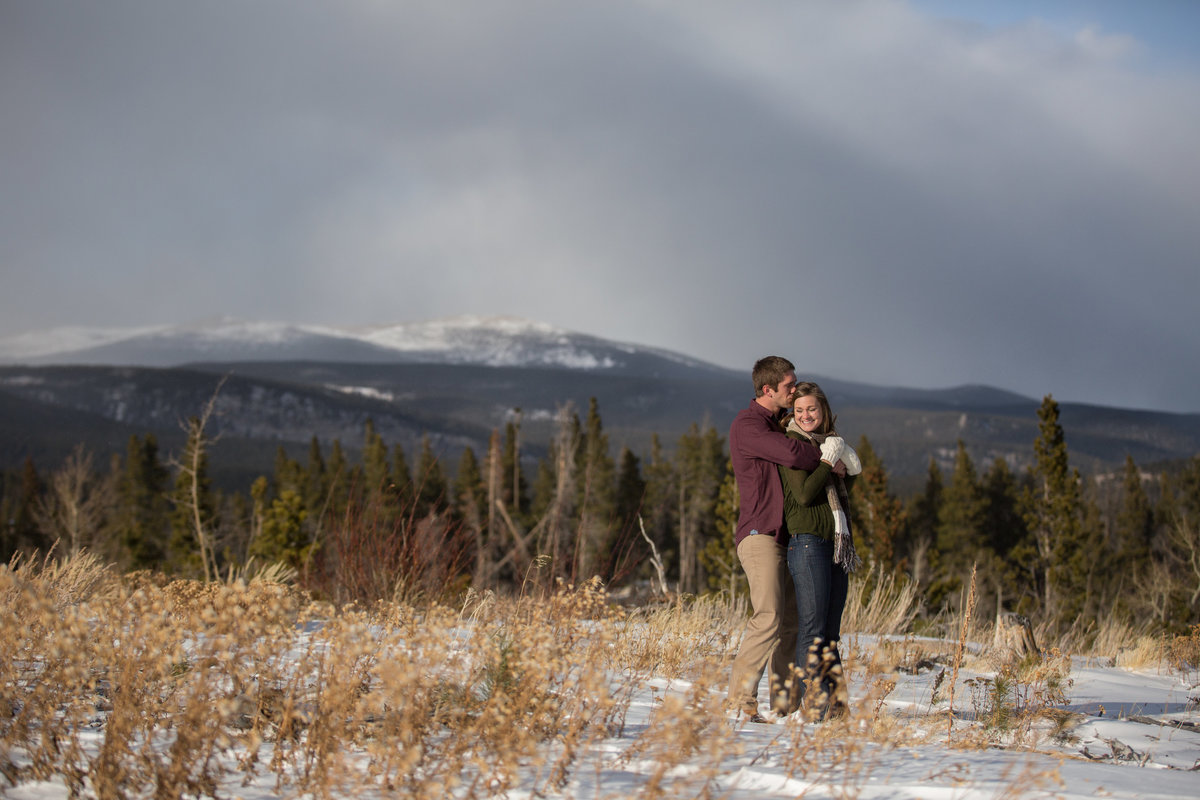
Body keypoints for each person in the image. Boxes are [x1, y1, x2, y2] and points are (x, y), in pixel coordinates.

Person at [726, 356, 831, 722]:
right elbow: (791, 453)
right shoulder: (749, 425)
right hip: (760, 536)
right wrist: (826, 455)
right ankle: (739, 703)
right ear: (768, 389)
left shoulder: (778, 424)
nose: (794, 389)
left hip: (785, 538)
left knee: (792, 625)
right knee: (769, 617)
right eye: (789, 385)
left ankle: (784, 708)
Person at [778, 381, 862, 720]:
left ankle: (838, 711)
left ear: (823, 410)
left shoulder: (827, 443)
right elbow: (804, 495)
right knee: (813, 631)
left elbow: (842, 488)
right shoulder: (794, 445)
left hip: (835, 544)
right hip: (808, 542)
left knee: (830, 634)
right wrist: (827, 462)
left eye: (811, 408)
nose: (805, 415)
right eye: (799, 410)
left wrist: (841, 466)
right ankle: (816, 707)